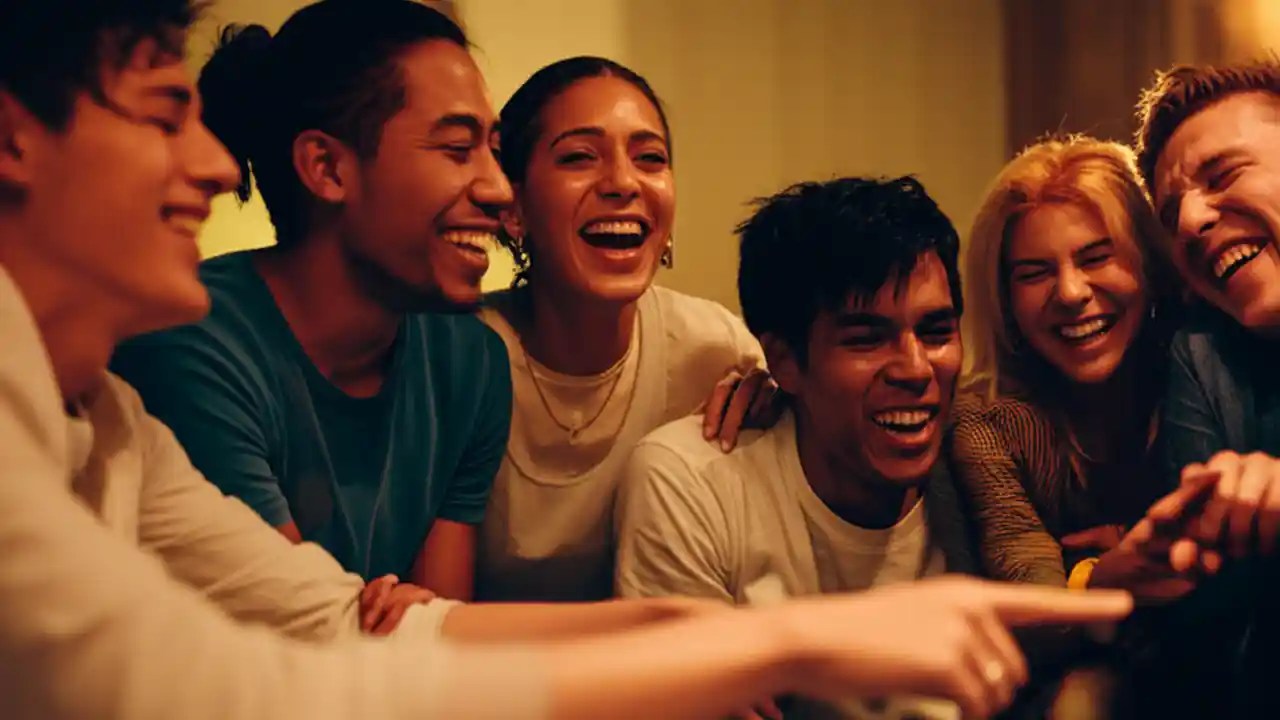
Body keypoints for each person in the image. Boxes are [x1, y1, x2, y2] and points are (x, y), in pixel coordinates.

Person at [0, 1, 1141, 718]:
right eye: (161, 112)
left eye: (649, 154)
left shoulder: (108, 418)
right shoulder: (175, 360)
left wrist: (756, 638)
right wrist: (791, 640)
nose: (212, 166)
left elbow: (358, 623)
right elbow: (262, 680)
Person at [110, 0, 513, 598]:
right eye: (457, 149)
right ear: (326, 168)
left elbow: (440, 631)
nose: (499, 188)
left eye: (493, 150)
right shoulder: (193, 345)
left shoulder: (470, 362)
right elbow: (293, 624)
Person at [616, 176, 983, 719]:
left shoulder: (983, 468)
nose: (915, 368)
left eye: (936, 332)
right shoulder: (693, 483)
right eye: (866, 339)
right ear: (782, 361)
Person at [475, 56, 765, 601]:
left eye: (650, 158)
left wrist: (783, 409)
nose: (623, 183)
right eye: (580, 157)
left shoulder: (716, 352)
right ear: (515, 209)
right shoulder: (457, 353)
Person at [951, 136, 1189, 600]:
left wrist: (1086, 572)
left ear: (1149, 264)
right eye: (1034, 273)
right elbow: (1036, 605)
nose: (1070, 292)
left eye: (1097, 257)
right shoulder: (988, 421)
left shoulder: (1200, 371)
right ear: (1005, 300)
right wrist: (1102, 573)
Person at [1130, 58, 1280, 716]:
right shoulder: (1204, 357)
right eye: (1170, 213)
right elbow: (1199, 631)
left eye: (1223, 175)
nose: (1189, 221)